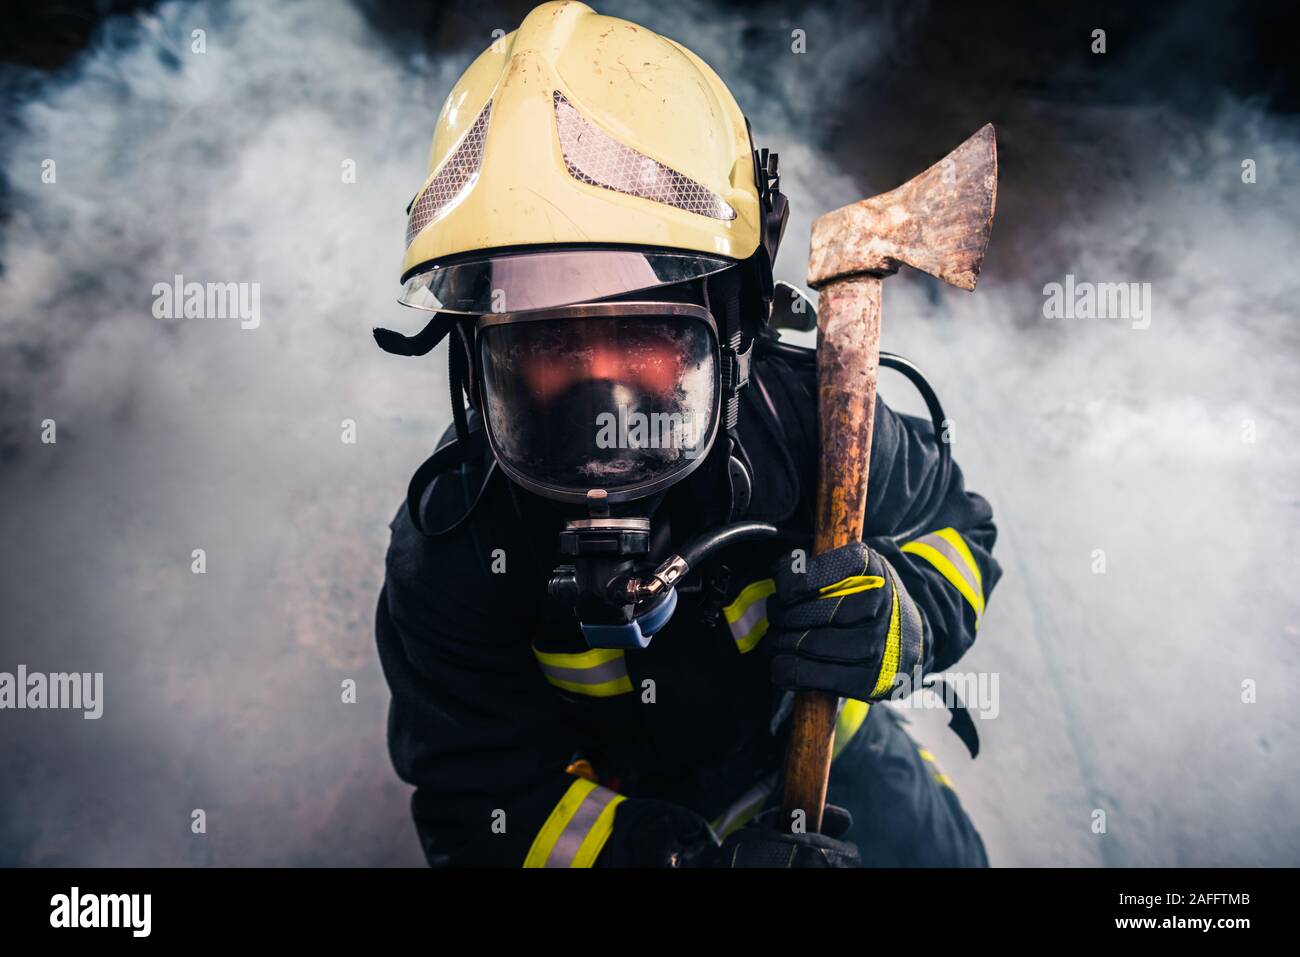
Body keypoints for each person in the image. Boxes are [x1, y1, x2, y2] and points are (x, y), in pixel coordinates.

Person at [374, 0, 1000, 868]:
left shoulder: (813, 425)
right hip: (629, 821)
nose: (605, 401)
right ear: (477, 349)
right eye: (550, 345)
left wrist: (901, 621)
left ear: (733, 317)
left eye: (643, 335)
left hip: (830, 756)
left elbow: (961, 534)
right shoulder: (450, 552)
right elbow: (483, 805)